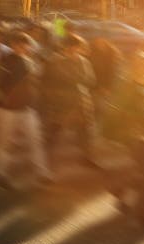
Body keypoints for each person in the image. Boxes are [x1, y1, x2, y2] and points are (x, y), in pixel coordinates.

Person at [101, 50, 144, 227]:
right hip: (133, 134)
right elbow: (117, 110)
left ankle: (119, 189)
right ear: (135, 67)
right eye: (141, 65)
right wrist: (143, 116)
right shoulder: (126, 87)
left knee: (141, 172)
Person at [0, 32, 51, 186]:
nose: (24, 47)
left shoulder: (30, 61)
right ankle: (0, 172)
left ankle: (42, 172)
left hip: (27, 108)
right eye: (20, 45)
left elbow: (34, 83)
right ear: (13, 45)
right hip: (8, 109)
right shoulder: (5, 61)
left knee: (35, 140)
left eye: (26, 45)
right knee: (4, 142)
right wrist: (3, 99)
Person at [39, 33, 97, 168]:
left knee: (86, 132)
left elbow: (91, 80)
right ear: (65, 47)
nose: (74, 50)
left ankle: (87, 157)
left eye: (77, 47)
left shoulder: (84, 62)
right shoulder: (54, 62)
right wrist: (53, 98)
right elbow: (45, 83)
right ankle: (44, 161)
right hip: (62, 104)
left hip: (82, 103)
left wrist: (85, 91)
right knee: (54, 133)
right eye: (71, 47)